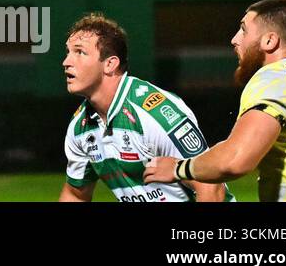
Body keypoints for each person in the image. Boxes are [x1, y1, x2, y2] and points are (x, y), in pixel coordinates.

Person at [145, 0, 286, 201]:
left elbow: (235, 159)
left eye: (243, 29)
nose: (235, 39)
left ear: (269, 41)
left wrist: (177, 168)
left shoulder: (278, 75)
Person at [57, 14, 227, 202]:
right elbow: (75, 195)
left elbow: (211, 188)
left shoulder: (154, 112)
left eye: (79, 52)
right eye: (68, 52)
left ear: (110, 64)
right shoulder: (79, 127)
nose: (66, 62)